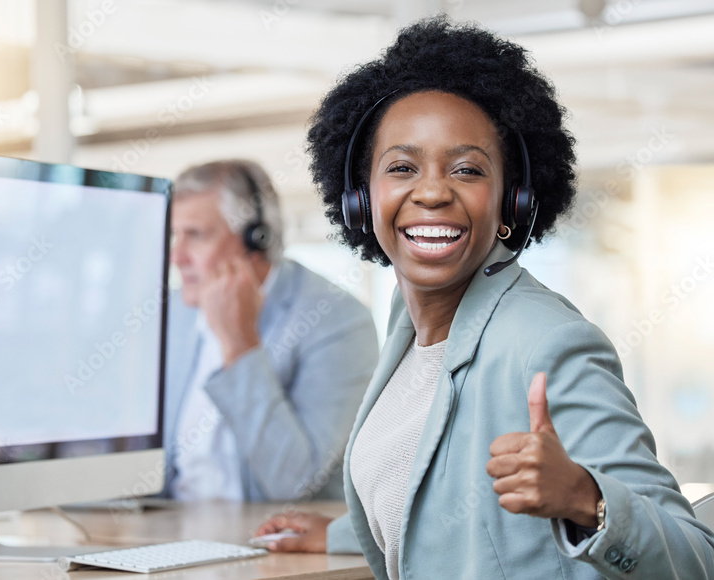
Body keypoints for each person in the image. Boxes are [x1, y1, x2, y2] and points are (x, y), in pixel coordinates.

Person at [256, 17, 714, 579]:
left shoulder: (546, 342)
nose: (430, 190)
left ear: (511, 203)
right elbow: (444, 497)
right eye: (402, 167)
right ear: (360, 198)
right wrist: (343, 532)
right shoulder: (410, 327)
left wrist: (585, 499)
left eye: (467, 169)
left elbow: (696, 558)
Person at [161, 159, 379, 502]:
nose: (176, 257)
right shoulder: (173, 313)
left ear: (256, 239)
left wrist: (239, 342)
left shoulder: (339, 321)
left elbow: (294, 482)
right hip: (172, 531)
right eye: (175, 236)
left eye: (196, 236)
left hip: (276, 542)